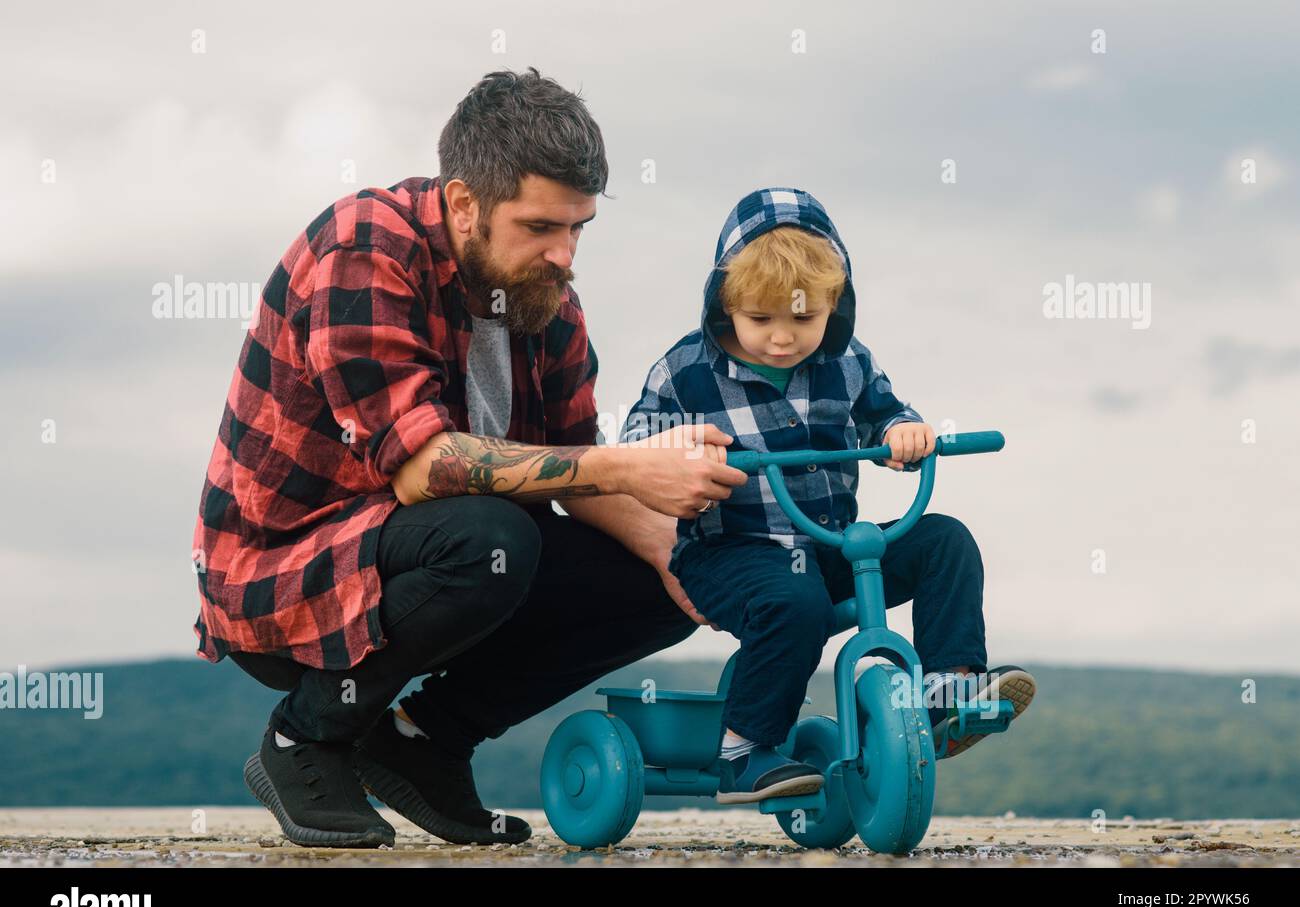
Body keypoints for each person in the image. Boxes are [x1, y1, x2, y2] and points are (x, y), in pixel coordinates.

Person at [191, 67, 748, 848]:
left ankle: (424, 743)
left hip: (424, 551)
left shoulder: (546, 303)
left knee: (659, 578)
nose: (564, 254)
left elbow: (575, 472)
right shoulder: (365, 243)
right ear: (463, 203)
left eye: (577, 228)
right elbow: (424, 470)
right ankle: (304, 737)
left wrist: (672, 553)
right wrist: (629, 467)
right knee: (491, 537)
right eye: (540, 227)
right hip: (283, 573)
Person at [619, 187, 1037, 804]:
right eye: (761, 320)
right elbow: (636, 445)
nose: (783, 339)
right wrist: (680, 454)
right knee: (794, 601)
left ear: (832, 306)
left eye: (803, 320)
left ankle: (947, 692)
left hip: (827, 546)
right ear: (725, 301)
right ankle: (743, 749)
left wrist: (903, 433)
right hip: (729, 553)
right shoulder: (684, 371)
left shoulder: (847, 362)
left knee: (944, 540)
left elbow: (887, 414)